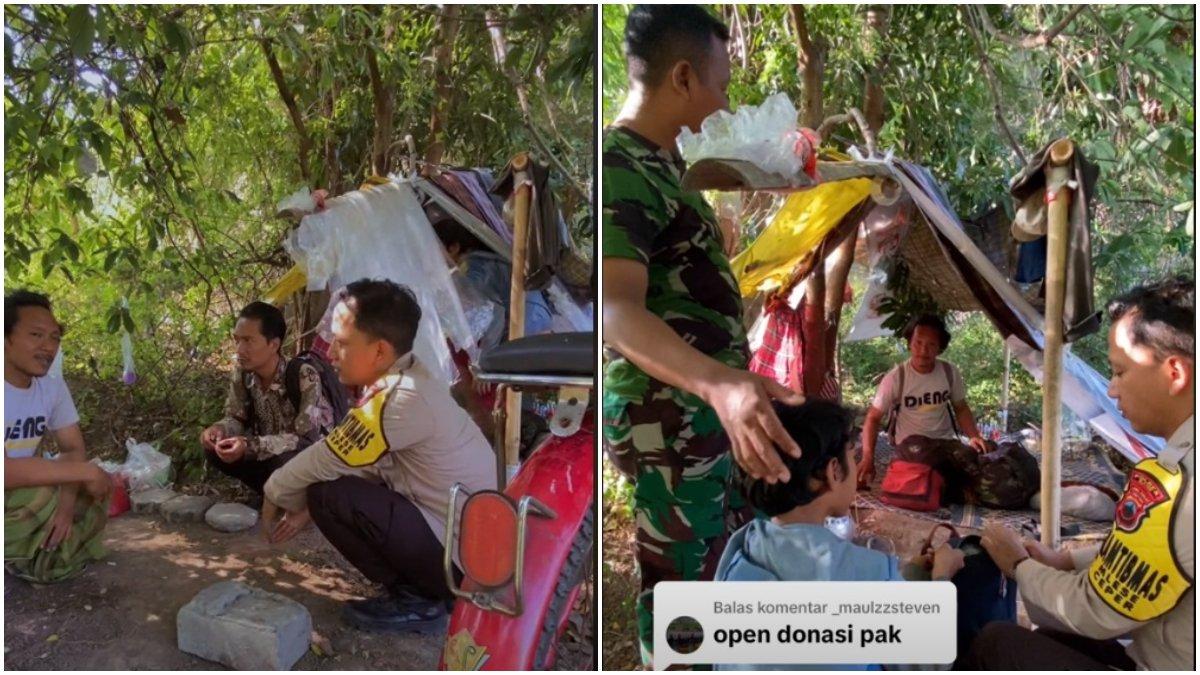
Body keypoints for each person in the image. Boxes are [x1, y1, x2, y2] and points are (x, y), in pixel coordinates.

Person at [602, 5, 804, 665]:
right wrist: (721, 385)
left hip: (702, 418)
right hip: (674, 421)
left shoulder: (670, 171)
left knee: (719, 580)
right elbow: (615, 309)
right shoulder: (621, 165)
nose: (725, 102)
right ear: (683, 77)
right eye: (720, 83)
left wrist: (739, 381)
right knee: (683, 599)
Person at [967, 277, 1194, 670]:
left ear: (1174, 372)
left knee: (997, 642)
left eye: (1120, 372)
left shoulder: (1182, 488)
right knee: (1052, 638)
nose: (1111, 390)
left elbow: (1092, 609)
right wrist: (1066, 561)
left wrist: (1018, 564)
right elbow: (1165, 553)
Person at [261, 279, 496, 633]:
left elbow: (329, 457)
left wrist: (274, 490)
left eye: (341, 344)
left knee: (328, 493)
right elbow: (369, 463)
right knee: (325, 494)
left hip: (463, 562)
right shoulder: (408, 378)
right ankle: (423, 591)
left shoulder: (402, 398)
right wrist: (305, 511)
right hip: (467, 548)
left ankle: (422, 600)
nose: (330, 354)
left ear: (380, 352)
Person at [715, 400, 965, 670]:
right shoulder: (870, 572)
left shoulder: (743, 545)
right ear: (832, 472)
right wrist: (942, 577)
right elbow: (931, 662)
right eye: (852, 455)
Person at [4, 290, 112, 583]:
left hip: (19, 489)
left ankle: (38, 553)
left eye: (54, 338)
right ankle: (20, 552)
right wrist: (84, 471)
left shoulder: (51, 387)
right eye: (36, 335)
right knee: (43, 495)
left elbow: (72, 447)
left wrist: (65, 510)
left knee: (95, 491)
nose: (48, 347)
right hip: (13, 486)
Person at [199, 302, 336, 495]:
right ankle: (268, 495)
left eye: (248, 341)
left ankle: (296, 502)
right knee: (214, 450)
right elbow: (236, 417)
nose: (239, 349)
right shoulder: (243, 373)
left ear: (273, 344)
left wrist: (250, 445)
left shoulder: (303, 375)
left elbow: (307, 441)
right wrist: (219, 430)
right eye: (237, 340)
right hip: (265, 454)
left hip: (305, 462)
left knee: (285, 461)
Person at [857, 314, 988, 488]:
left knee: (980, 461)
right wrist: (867, 457)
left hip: (944, 443)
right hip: (911, 447)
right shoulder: (897, 377)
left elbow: (961, 408)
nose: (923, 350)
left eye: (931, 344)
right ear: (910, 343)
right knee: (928, 472)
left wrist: (974, 436)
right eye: (918, 343)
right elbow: (873, 418)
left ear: (940, 348)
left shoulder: (949, 372)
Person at [431, 209, 553, 344]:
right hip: (537, 318)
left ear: (454, 247)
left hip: (526, 326)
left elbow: (489, 314)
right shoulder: (484, 260)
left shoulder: (475, 268)